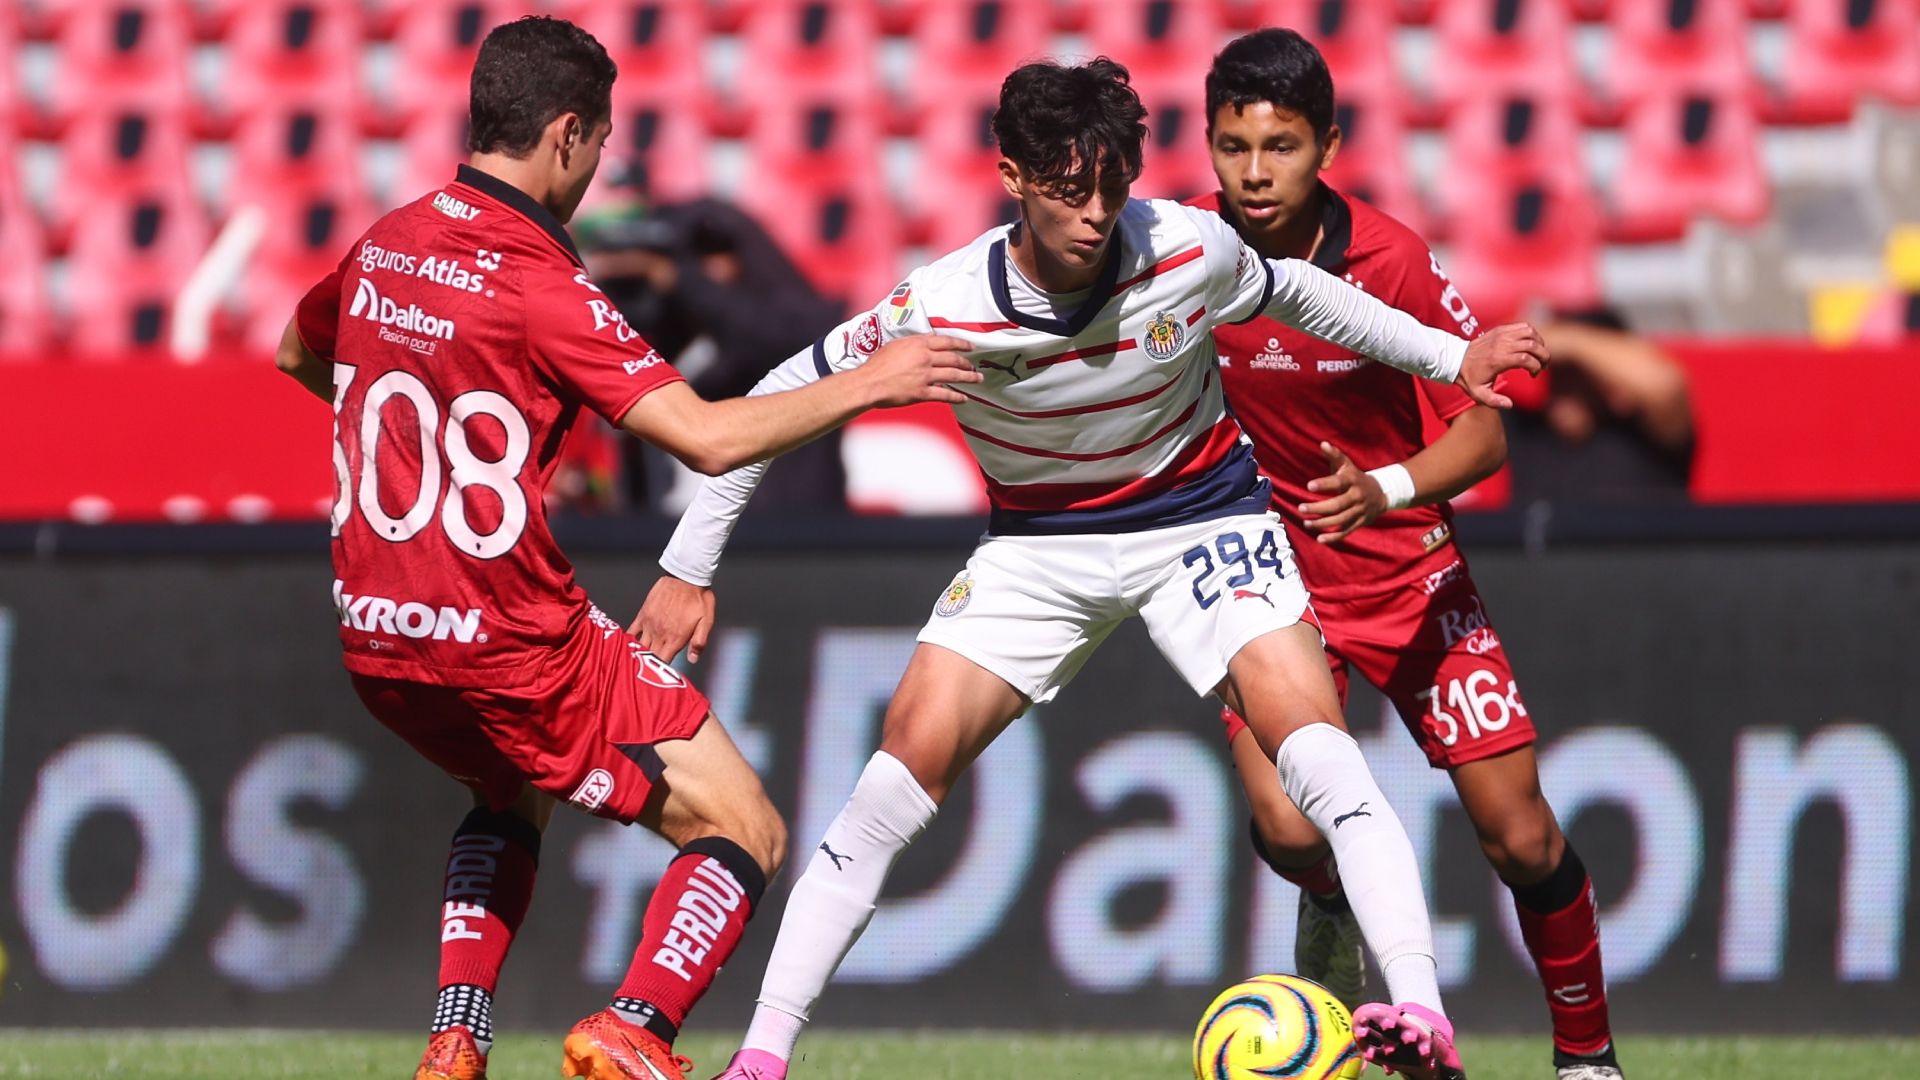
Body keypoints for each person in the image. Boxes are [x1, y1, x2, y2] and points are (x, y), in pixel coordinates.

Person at [639, 58, 1547, 1080]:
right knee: (895, 776)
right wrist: (689, 565)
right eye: (1070, 190)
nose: (1096, 212)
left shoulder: (1185, 246)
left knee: (1318, 752)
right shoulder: (939, 305)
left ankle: (1419, 1018)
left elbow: (1301, 295)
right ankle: (761, 1058)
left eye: (1114, 185)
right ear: (1012, 176)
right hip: (1040, 544)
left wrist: (1444, 359)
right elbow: (766, 403)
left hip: (1203, 520)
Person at [271, 18, 979, 1080]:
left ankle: (456, 1038)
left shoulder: (385, 242)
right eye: (597, 145)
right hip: (509, 638)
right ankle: (636, 1026)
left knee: (508, 793)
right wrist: (874, 382)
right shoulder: (540, 280)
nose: (596, 170)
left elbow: (297, 352)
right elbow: (706, 432)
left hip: (378, 635)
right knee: (744, 829)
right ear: (565, 133)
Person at [1188, 30, 1622, 1080]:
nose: (1254, 172)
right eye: (1233, 146)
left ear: (1328, 144)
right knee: (1293, 830)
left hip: (1406, 570)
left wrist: (1384, 489)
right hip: (1272, 575)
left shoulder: (1390, 262)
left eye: (1281, 146)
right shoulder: (1188, 258)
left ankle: (1588, 1059)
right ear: (1207, 144)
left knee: (1519, 839)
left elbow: (1482, 430)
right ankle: (1336, 1005)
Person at [580, 197, 850, 513]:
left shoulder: (794, 323)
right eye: (690, 254)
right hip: (672, 533)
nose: (707, 265)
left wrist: (682, 279)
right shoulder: (666, 328)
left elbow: (771, 339)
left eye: (716, 249)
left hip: (784, 528)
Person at [1507, 306, 1694, 505]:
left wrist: (1567, 339)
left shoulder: (1646, 439)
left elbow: (1664, 385)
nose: (1561, 383)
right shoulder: (1529, 432)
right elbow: (1472, 371)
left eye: (1576, 370)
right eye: (1555, 368)